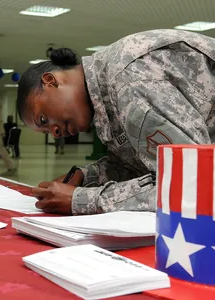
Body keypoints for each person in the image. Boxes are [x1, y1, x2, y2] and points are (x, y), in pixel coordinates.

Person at [16, 29, 214, 216]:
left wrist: (82, 200)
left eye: (43, 119)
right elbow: (147, 165)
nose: (55, 132)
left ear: (51, 81)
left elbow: (194, 185)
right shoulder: (106, 92)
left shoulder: (129, 81)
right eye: (47, 132)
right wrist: (88, 177)